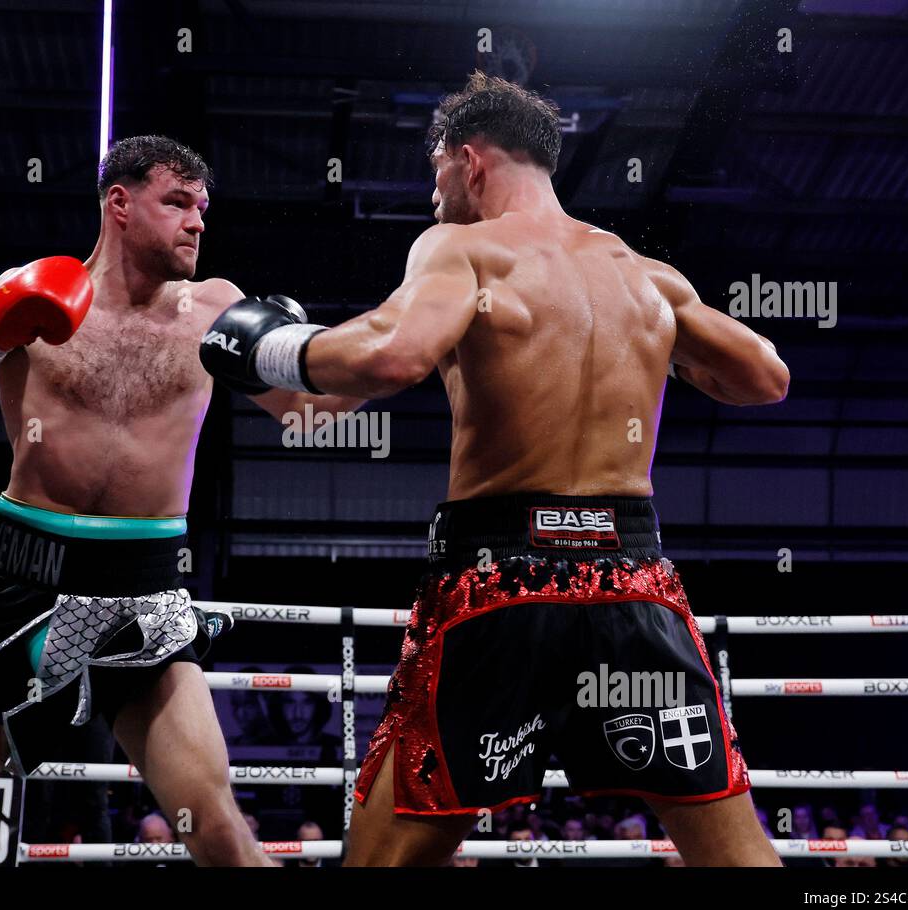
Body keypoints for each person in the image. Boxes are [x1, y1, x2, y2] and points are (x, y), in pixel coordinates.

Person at [201, 72, 788, 867]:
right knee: (733, 854)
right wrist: (654, 352)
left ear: (469, 161)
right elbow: (765, 376)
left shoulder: (462, 248)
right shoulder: (644, 275)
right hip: (636, 585)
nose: (433, 194)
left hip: (499, 587)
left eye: (435, 171)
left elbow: (391, 354)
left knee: (381, 859)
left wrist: (264, 345)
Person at [0, 135, 358, 867]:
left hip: (142, 596)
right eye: (177, 203)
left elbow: (315, 412)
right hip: (16, 581)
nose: (198, 221)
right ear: (120, 203)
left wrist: (391, 346)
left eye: (203, 207)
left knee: (221, 833)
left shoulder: (217, 310)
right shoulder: (30, 293)